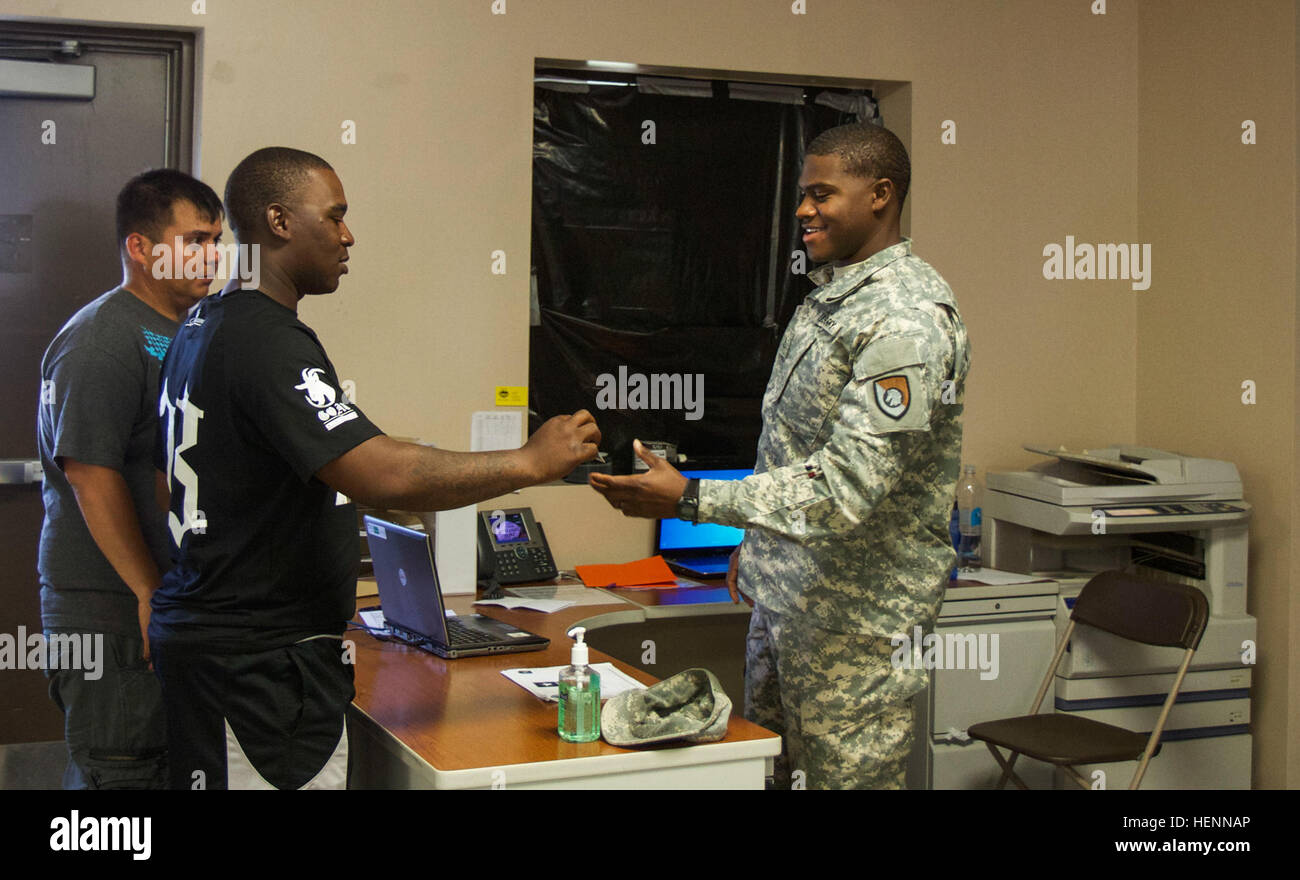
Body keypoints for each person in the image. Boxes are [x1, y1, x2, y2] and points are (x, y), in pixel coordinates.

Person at [151, 146, 600, 790]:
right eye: (334, 216)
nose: (347, 234)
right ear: (279, 221)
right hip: (253, 667)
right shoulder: (265, 338)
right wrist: (528, 461)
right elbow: (380, 474)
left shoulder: (205, 322)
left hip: (218, 644)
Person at [589, 122, 969, 789]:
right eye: (801, 194)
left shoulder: (904, 319)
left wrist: (693, 498)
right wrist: (760, 544)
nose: (802, 210)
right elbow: (798, 451)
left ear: (880, 194)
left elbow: (845, 486)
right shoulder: (829, 299)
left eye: (822, 193)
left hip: (856, 631)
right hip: (787, 605)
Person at [37, 169, 225, 788]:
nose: (211, 256)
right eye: (194, 239)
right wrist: (149, 592)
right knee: (120, 780)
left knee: (148, 772)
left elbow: (158, 467)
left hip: (159, 604)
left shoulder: (179, 334)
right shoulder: (104, 337)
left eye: (217, 241)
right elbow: (91, 474)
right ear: (140, 249)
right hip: (112, 611)